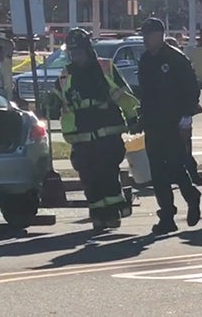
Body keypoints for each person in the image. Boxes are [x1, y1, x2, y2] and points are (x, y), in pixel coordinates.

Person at [52, 28, 139, 232]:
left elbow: (124, 95)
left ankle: (114, 211)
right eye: (72, 53)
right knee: (88, 178)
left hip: (107, 131)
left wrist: (133, 117)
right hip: (81, 135)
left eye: (79, 52)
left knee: (107, 174)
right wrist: (49, 101)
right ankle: (98, 215)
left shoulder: (105, 68)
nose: (76, 57)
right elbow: (57, 99)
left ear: (88, 50)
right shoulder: (65, 75)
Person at [137, 18, 202, 234]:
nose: (145, 40)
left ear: (159, 35)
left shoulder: (176, 59)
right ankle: (167, 215)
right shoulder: (146, 60)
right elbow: (145, 93)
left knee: (175, 166)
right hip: (153, 123)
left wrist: (186, 117)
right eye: (144, 35)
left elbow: (191, 89)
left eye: (148, 35)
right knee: (157, 171)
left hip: (173, 122)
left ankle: (191, 196)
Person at [164, 37, 202, 187]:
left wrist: (189, 107)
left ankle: (191, 175)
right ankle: (179, 175)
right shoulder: (159, 68)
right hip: (167, 115)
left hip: (183, 113)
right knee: (173, 147)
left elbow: (193, 88)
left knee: (185, 146)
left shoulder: (182, 66)